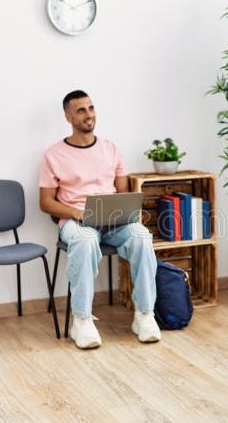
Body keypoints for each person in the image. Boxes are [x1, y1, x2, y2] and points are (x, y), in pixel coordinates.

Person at [39, 90, 160, 349]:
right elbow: (45, 202)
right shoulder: (54, 154)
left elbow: (124, 191)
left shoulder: (111, 149)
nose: (88, 114)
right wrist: (75, 212)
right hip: (77, 222)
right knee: (84, 240)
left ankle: (144, 314)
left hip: (114, 222)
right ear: (68, 116)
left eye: (91, 108)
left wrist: (127, 210)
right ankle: (81, 320)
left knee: (141, 236)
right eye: (81, 110)